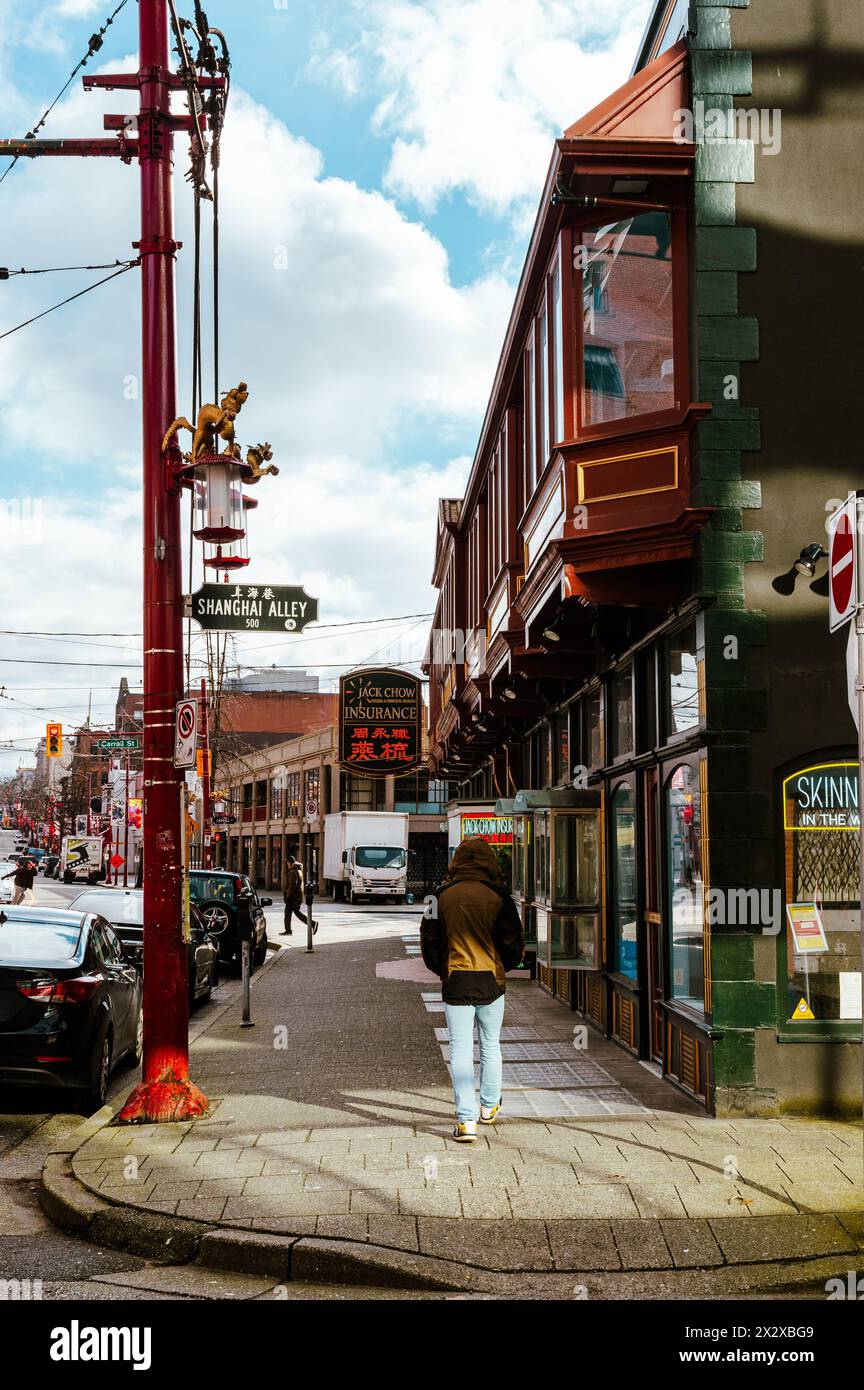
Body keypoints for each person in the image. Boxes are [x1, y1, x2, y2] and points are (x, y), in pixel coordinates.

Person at [421, 836, 524, 1143]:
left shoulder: (438, 896)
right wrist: (501, 965)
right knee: (491, 1044)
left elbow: (429, 940)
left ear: (457, 861)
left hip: (456, 980)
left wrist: (443, 969)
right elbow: (514, 942)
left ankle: (466, 1122)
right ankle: (490, 1106)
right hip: (492, 980)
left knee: (460, 1049)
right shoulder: (500, 896)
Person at [280, 854, 318, 936]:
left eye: (287, 863)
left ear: (290, 863)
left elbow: (292, 885)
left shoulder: (292, 872)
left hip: (293, 897)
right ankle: (312, 924)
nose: (287, 865)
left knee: (287, 913)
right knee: (296, 913)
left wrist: (287, 896)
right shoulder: (299, 870)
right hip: (297, 896)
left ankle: (288, 930)